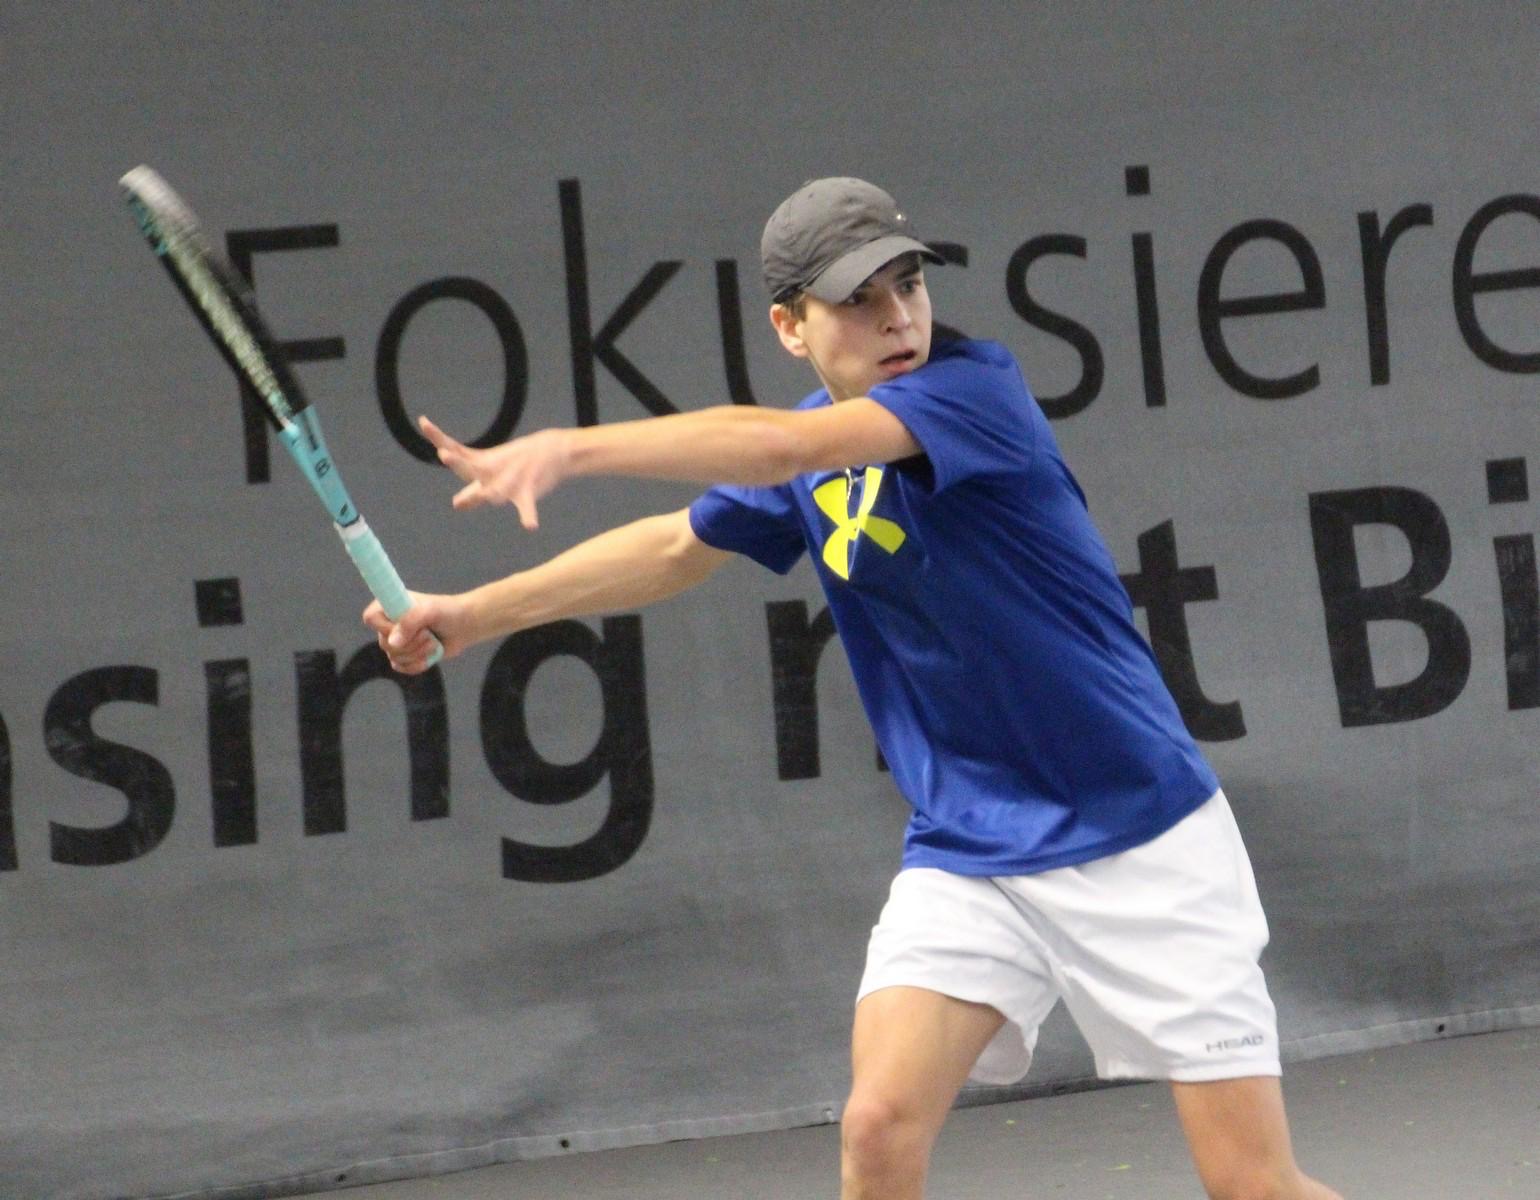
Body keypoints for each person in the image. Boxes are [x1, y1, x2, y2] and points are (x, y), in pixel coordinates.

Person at [366, 177, 1342, 1200]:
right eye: (857, 299)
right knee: (877, 1123)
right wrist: (472, 615)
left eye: (908, 283)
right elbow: (672, 548)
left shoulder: (974, 392)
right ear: (790, 327)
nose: (897, 316)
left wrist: (572, 449)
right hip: (972, 843)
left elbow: (788, 447)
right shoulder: (810, 449)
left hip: (1139, 834)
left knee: (1253, 1188)